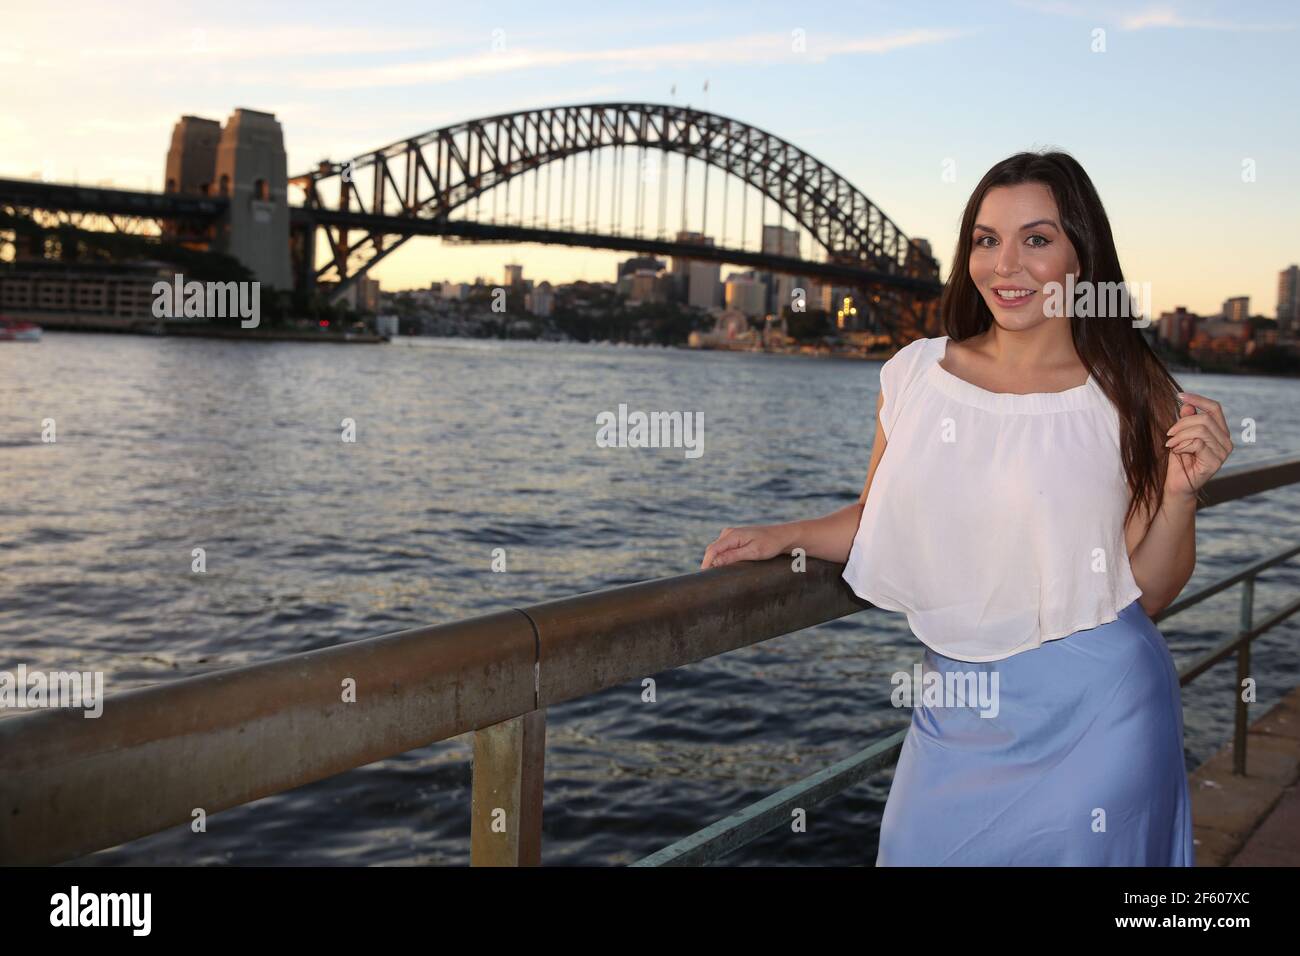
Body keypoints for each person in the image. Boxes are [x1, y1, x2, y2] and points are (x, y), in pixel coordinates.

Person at [698, 150, 1233, 866]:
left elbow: (1149, 592)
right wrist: (782, 536)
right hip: (956, 709)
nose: (1005, 266)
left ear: (1083, 256)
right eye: (986, 240)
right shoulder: (917, 373)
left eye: (1036, 240)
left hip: (1100, 712)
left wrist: (1179, 497)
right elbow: (880, 514)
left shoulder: (1132, 391)